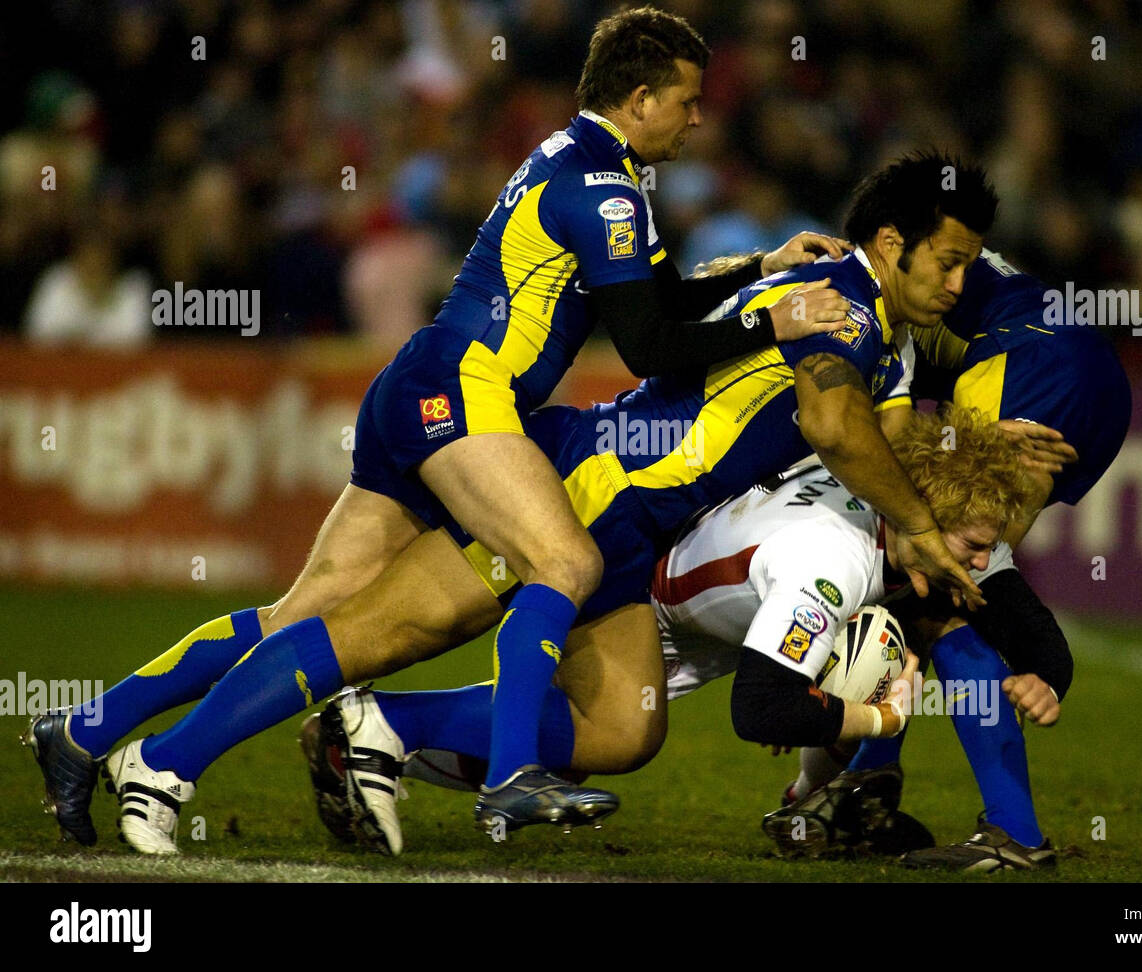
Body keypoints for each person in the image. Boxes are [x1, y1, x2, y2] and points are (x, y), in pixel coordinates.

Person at [23, 6, 863, 847]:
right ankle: (509, 777)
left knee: (304, 612)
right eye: (685, 98)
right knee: (565, 558)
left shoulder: (587, 164)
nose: (698, 115)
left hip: (422, 380)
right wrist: (772, 323)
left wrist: (760, 267)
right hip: (463, 392)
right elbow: (647, 347)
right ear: (640, 98)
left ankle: (93, 733)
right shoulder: (605, 189)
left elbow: (658, 301)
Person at [301, 407, 1034, 856]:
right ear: (926, 517)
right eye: (971, 546)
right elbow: (760, 712)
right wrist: (882, 714)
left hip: (674, 569)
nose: (978, 564)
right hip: (643, 584)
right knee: (616, 737)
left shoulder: (868, 482)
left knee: (861, 653)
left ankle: (371, 736)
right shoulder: (832, 561)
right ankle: (378, 721)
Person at [781, 247, 1133, 871]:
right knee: (938, 582)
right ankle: (861, 785)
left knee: (942, 581)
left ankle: (995, 824)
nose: (950, 279)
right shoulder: (878, 286)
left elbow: (865, 433)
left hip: (1031, 370)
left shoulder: (843, 300)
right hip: (1088, 372)